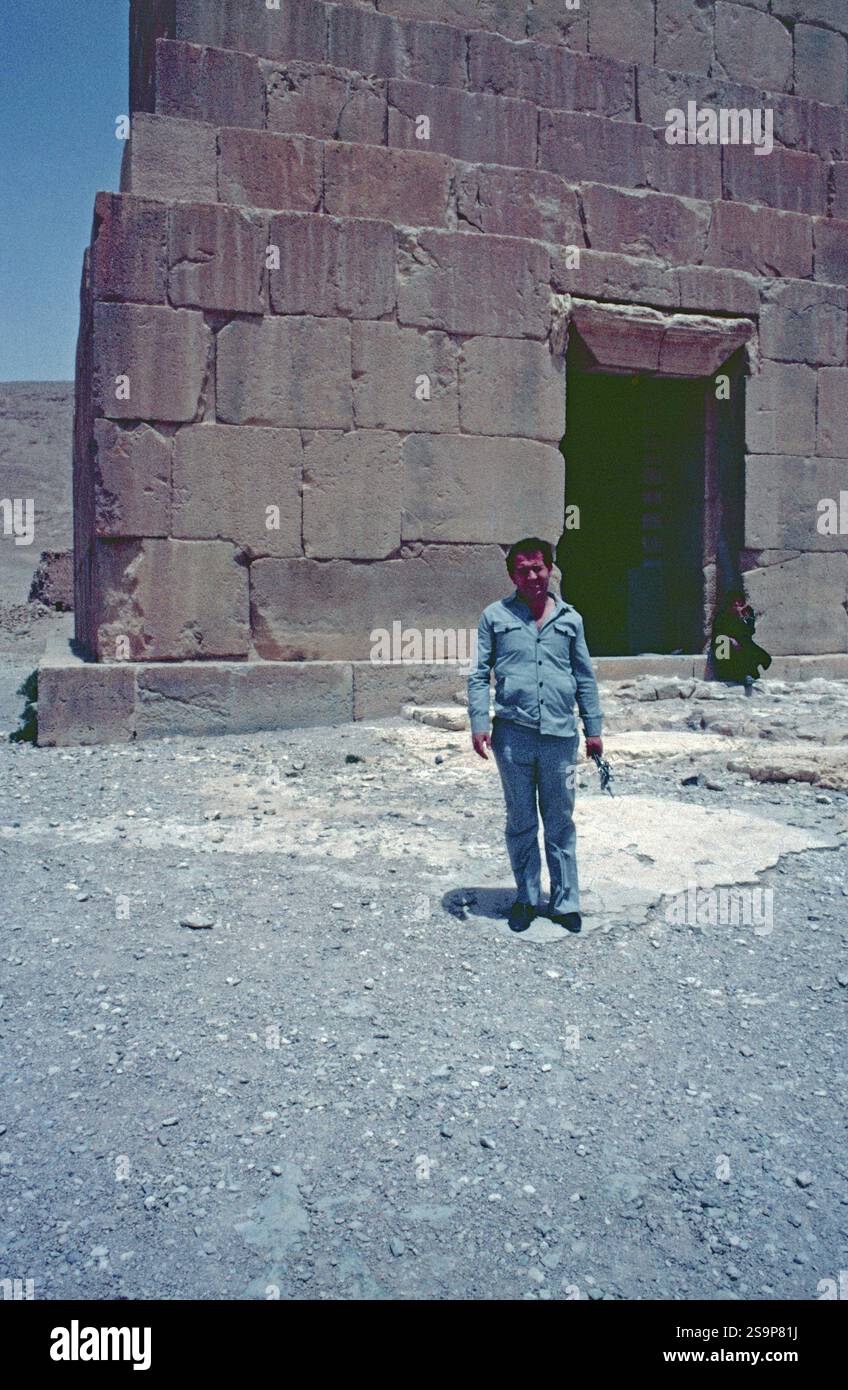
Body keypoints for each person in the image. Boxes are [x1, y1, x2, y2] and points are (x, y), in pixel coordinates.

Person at [467, 537, 604, 934]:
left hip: (561, 738)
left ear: (550, 570)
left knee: (560, 821)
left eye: (538, 568)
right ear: (512, 575)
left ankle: (565, 902)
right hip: (513, 738)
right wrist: (479, 723)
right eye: (523, 570)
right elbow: (478, 675)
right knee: (522, 821)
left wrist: (593, 729)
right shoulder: (494, 617)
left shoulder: (570, 620)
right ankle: (526, 898)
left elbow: (584, 677)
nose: (532, 576)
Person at [710, 590, 772, 691]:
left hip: (741, 645)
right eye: (734, 602)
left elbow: (749, 631)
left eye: (739, 602)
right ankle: (726, 674)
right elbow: (717, 634)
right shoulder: (722, 615)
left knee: (747, 646)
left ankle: (747, 675)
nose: (737, 605)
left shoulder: (747, 613)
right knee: (723, 643)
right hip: (723, 646)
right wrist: (730, 639)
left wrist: (742, 617)